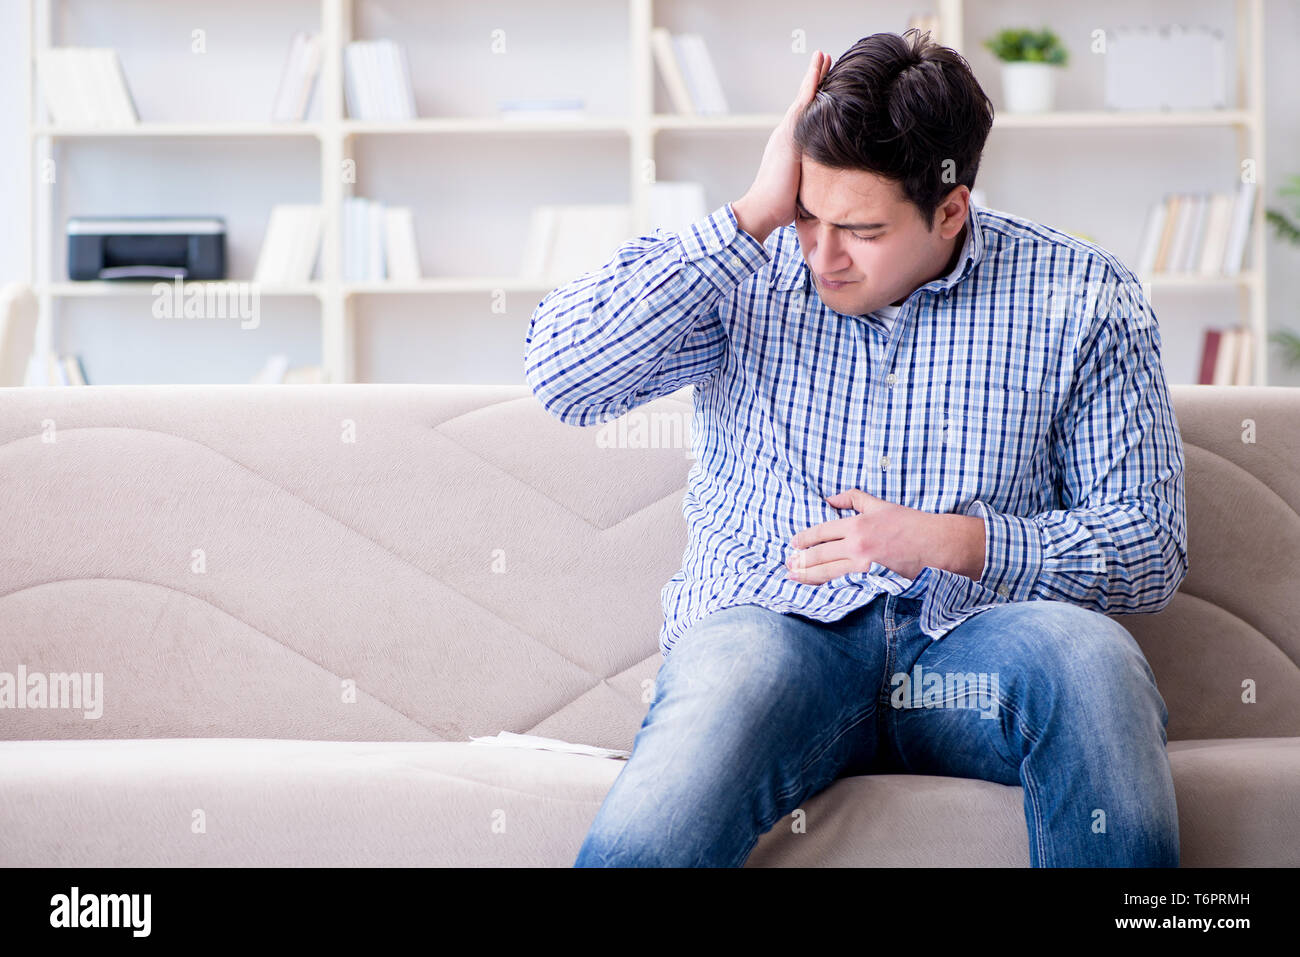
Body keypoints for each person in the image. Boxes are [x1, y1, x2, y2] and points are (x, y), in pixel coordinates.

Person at [523, 30, 1187, 867]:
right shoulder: (755, 261)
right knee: (728, 689)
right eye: (809, 214)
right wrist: (753, 214)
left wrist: (951, 540)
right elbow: (560, 378)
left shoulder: (1084, 295)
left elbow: (1150, 544)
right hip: (773, 638)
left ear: (951, 208)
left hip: (974, 649)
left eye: (862, 231)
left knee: (1093, 663)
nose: (821, 256)